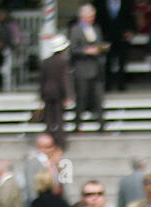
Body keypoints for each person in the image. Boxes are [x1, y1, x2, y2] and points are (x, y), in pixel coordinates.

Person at [69, 4, 107, 134]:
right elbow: (73, 49)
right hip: (82, 69)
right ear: (82, 16)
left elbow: (99, 43)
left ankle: (102, 125)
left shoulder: (96, 28)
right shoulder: (75, 30)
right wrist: (86, 51)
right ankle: (78, 125)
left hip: (96, 68)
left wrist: (101, 49)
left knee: (98, 97)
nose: (92, 18)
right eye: (89, 16)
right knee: (81, 98)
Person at [38, 35, 73, 148]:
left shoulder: (45, 62)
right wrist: (67, 95)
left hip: (47, 92)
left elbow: (42, 80)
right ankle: (60, 143)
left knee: (49, 119)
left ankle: (48, 141)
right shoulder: (63, 62)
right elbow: (64, 80)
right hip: (58, 93)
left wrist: (41, 95)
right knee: (59, 118)